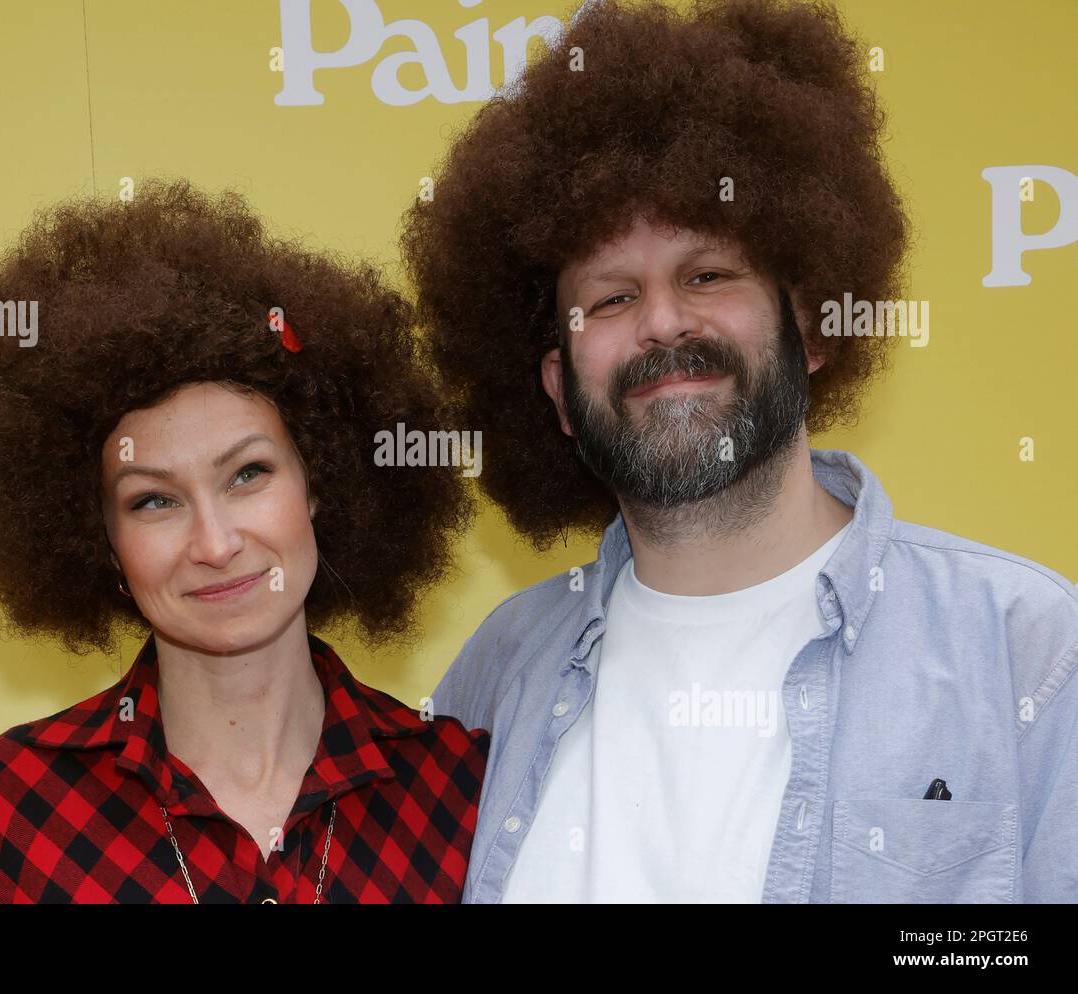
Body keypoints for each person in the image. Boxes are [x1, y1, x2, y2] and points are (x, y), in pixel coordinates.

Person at [399, 0, 1078, 902]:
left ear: (811, 326)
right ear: (560, 392)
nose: (664, 322)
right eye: (609, 299)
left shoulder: (1024, 649)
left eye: (708, 275)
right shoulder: (497, 674)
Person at [0, 178, 487, 903]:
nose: (214, 542)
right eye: (154, 500)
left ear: (320, 483)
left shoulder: (463, 791)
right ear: (100, 542)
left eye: (248, 475)